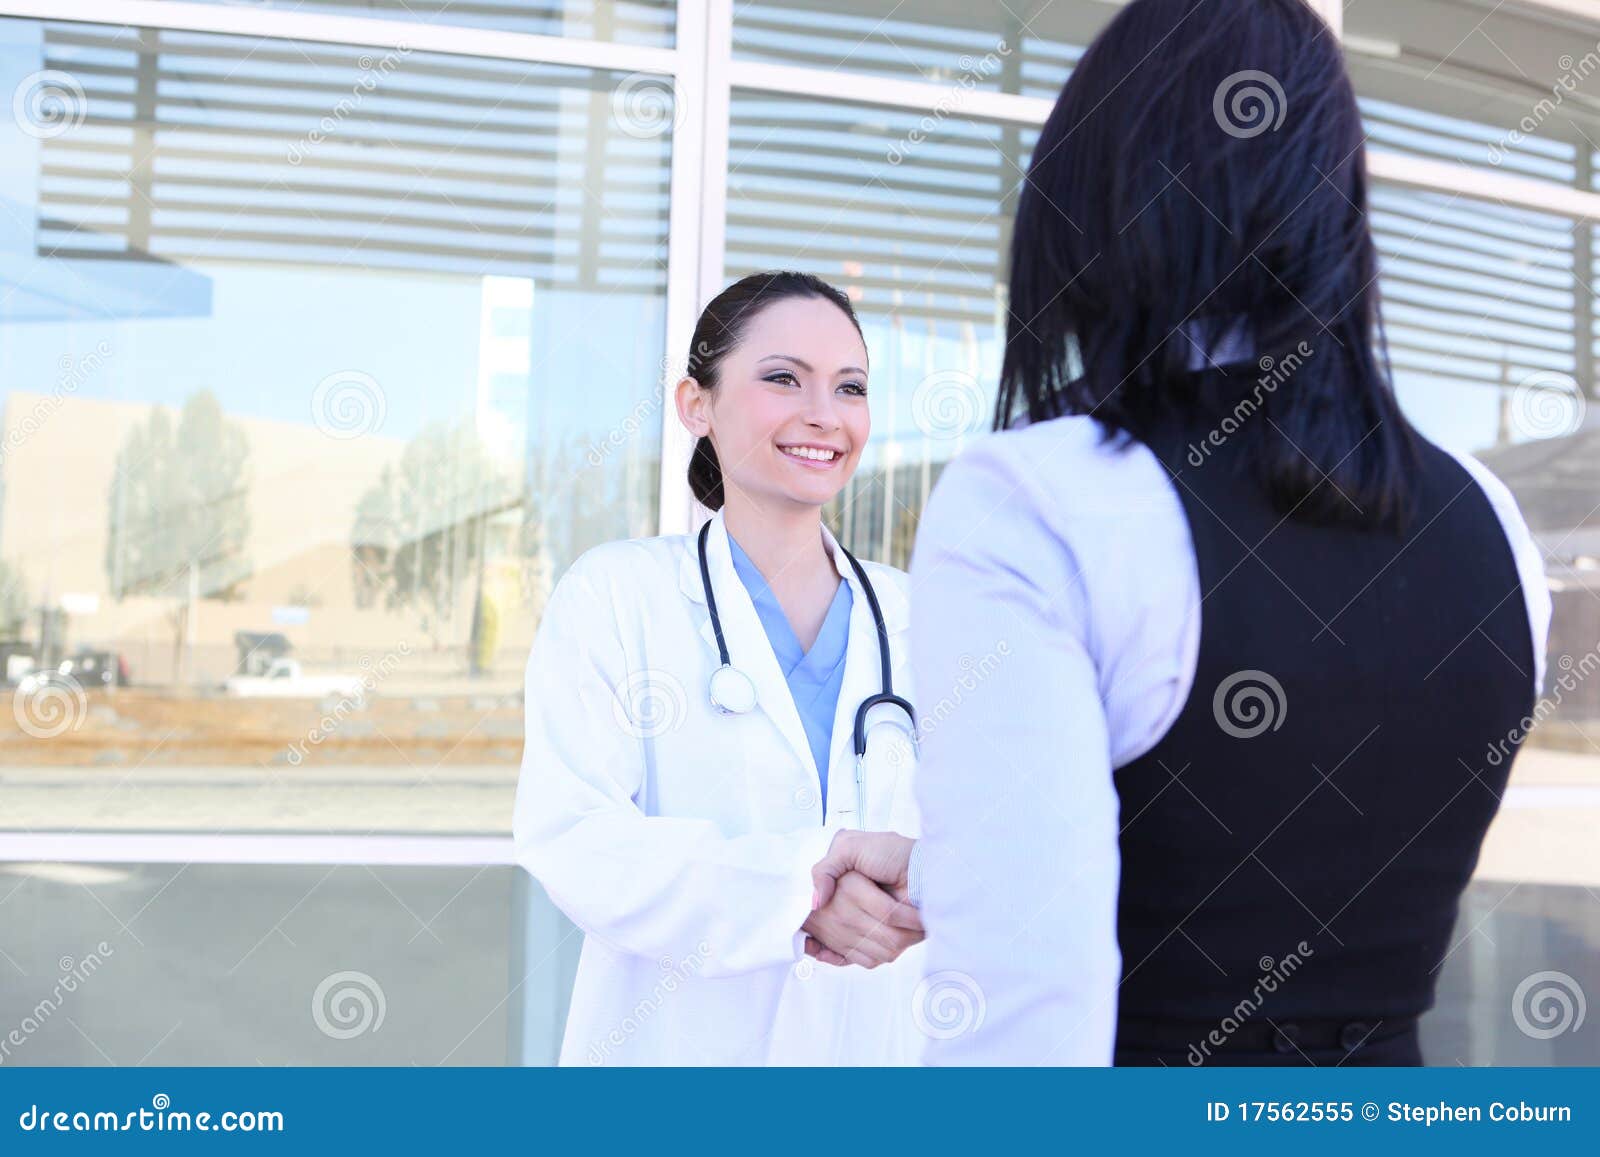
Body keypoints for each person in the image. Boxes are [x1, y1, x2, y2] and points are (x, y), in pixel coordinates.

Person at [819, 0, 1550, 1065]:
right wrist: (950, 868)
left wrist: (985, 885)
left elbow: (1029, 995)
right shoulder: (1488, 518)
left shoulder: (1036, 497)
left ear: (1096, 190)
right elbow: (1278, 864)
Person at [514, 271, 926, 1066]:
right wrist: (794, 894)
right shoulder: (617, 594)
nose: (824, 415)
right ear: (695, 405)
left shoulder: (918, 617)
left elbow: (988, 838)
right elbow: (573, 836)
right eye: (782, 379)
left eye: (851, 387)